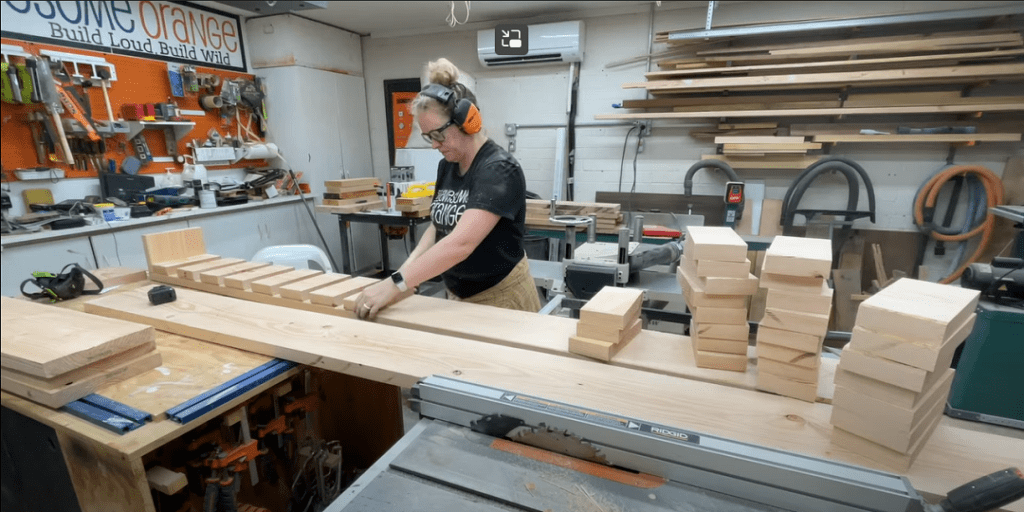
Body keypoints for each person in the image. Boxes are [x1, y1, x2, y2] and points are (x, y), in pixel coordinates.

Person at [354, 58, 541, 319]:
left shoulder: (498, 169)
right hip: (458, 297)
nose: (434, 145)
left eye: (438, 135)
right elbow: (438, 228)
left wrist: (394, 283)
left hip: (502, 301)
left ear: (468, 122)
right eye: (428, 137)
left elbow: (461, 243)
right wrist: (404, 278)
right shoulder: (447, 166)